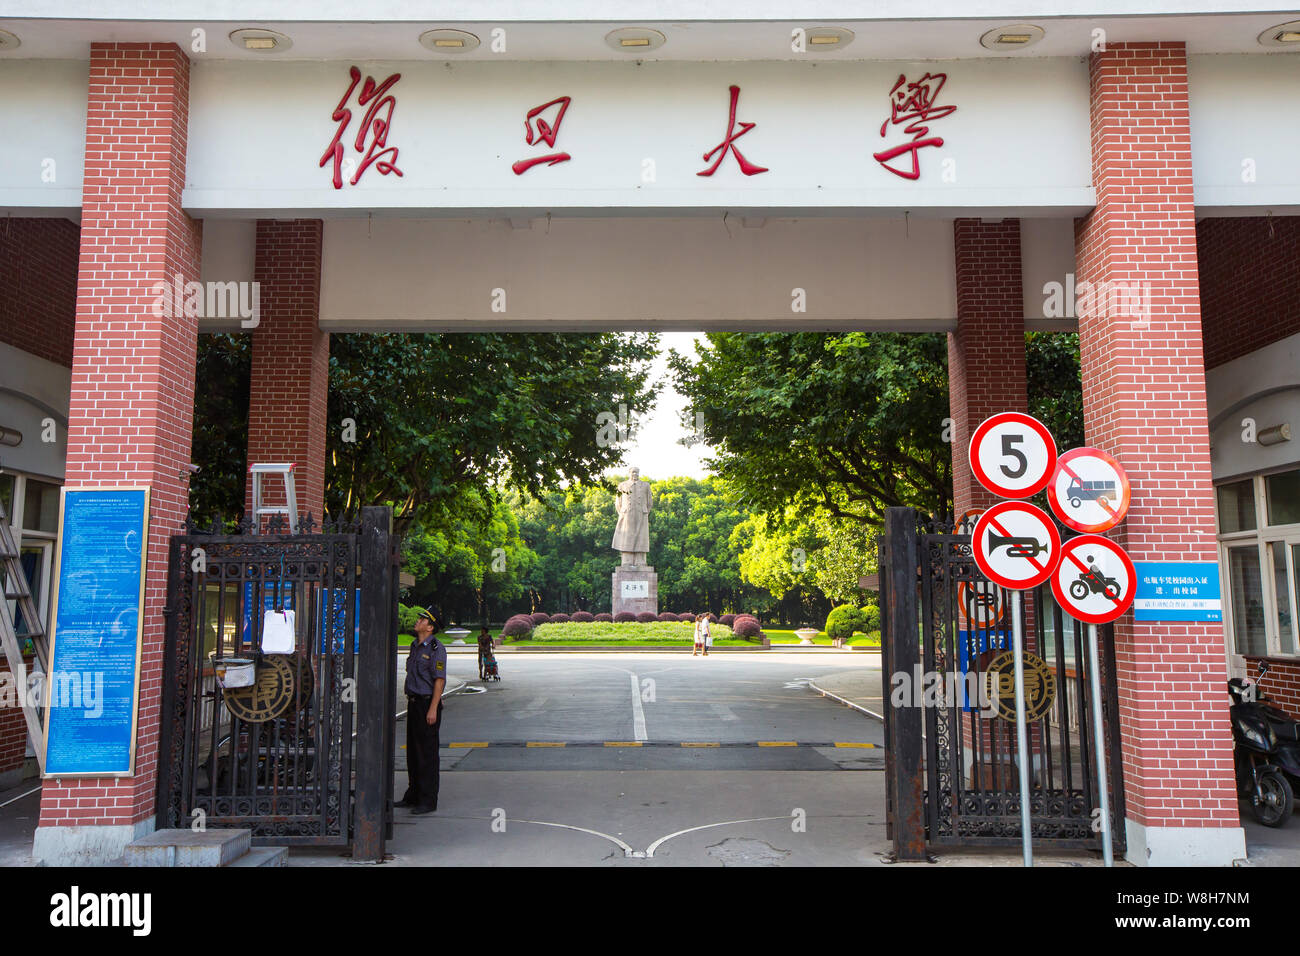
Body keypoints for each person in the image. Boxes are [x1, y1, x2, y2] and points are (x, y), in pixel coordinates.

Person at [398, 607, 446, 815]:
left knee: (427, 753)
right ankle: (414, 794)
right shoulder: (415, 646)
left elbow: (439, 680)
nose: (418, 621)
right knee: (413, 753)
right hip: (414, 702)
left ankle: (428, 799)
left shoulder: (436, 648)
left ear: (430, 626)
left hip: (428, 704)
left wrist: (433, 708)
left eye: (422, 619)